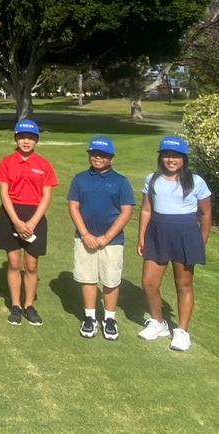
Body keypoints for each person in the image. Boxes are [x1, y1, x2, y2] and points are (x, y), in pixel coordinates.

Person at [137, 136, 211, 352]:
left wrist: (201, 241)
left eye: (176, 156)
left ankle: (182, 331)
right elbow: (146, 209)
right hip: (157, 232)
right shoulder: (152, 179)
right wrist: (141, 236)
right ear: (161, 157)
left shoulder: (196, 181)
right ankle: (159, 323)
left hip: (185, 233)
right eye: (167, 155)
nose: (171, 160)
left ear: (184, 159)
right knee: (149, 282)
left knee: (183, 284)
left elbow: (206, 214)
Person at [67, 137, 134, 340]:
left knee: (110, 279)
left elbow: (126, 212)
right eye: (94, 153)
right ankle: (90, 317)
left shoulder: (121, 181)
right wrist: (85, 234)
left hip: (111, 240)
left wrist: (107, 236)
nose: (98, 157)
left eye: (103, 155)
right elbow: (73, 207)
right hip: (84, 238)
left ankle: (110, 319)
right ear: (89, 155)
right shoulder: (80, 179)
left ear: (111, 158)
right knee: (87, 277)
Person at [0, 119, 57, 326]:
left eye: (30, 138)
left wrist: (32, 222)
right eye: (22, 137)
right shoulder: (6, 162)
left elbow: (47, 196)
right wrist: (17, 222)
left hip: (35, 215)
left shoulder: (44, 164)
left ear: (36, 140)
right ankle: (15, 306)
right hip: (11, 214)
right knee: (13, 263)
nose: (26, 141)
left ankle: (29, 305)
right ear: (16, 138)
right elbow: (4, 193)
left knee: (30, 265)